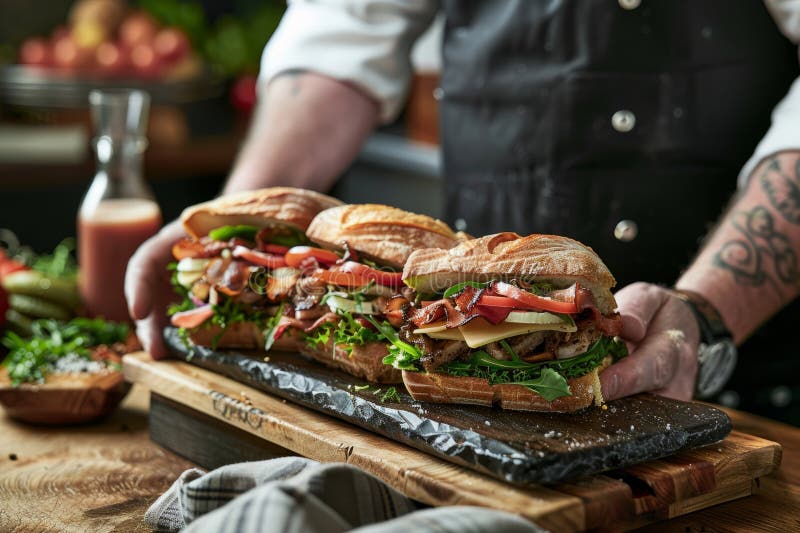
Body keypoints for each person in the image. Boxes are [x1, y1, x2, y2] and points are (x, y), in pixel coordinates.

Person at [126, 0, 800, 412]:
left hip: (745, 376)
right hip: (461, 347)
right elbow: (341, 35)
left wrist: (708, 313)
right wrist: (243, 227)